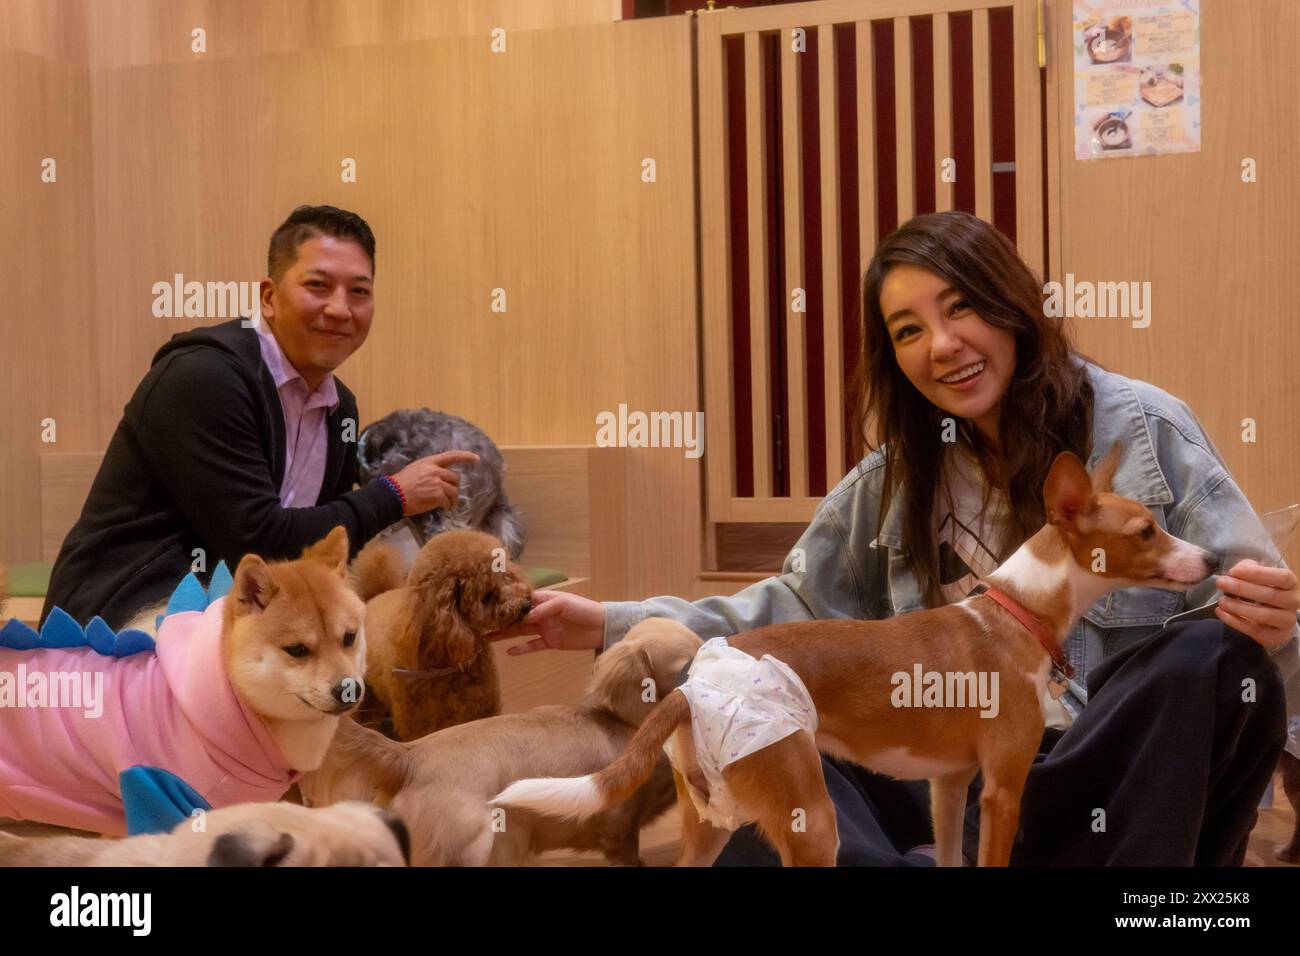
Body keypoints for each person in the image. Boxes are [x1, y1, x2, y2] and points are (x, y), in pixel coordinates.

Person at [493, 211, 1300, 865]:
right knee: (768, 731)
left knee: (1220, 662)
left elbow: (1261, 619)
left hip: (1108, 787)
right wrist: (604, 622)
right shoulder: (891, 481)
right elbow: (780, 615)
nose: (941, 345)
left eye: (959, 308)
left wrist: (1274, 619)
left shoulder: (1145, 427)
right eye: (907, 330)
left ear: (1012, 305)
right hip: (954, 787)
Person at [43, 205, 477, 629]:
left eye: (359, 292)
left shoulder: (339, 408)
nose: (341, 309)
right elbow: (258, 540)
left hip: (238, 638)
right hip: (119, 634)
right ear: (269, 298)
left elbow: (318, 550)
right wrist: (393, 496)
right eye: (318, 285)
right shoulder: (204, 376)